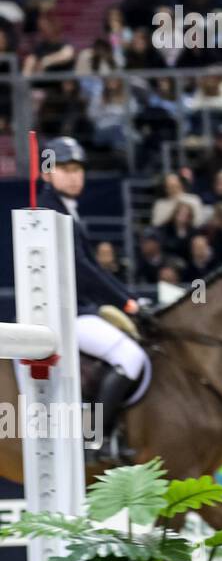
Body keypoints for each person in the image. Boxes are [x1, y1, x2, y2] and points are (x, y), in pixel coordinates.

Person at [38, 137, 147, 464]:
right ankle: (93, 439)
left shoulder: (65, 209)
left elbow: (92, 269)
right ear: (47, 173)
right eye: (66, 169)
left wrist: (128, 298)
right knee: (130, 357)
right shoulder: (49, 210)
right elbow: (82, 270)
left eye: (79, 170)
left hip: (75, 308)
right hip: (62, 313)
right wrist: (127, 304)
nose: (75, 176)